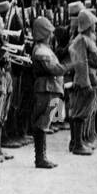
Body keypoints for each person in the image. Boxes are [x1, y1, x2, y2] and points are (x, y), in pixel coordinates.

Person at [29, 15, 66, 168]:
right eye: (49, 32)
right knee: (42, 123)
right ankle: (40, 157)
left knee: (45, 122)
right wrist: (68, 65)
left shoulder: (44, 49)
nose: (52, 35)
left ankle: (42, 156)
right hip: (46, 89)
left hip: (50, 88)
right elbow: (54, 68)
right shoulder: (41, 50)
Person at [66, 8, 97, 155]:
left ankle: (76, 142)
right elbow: (81, 63)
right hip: (85, 80)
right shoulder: (81, 40)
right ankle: (77, 144)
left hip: (91, 79)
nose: (94, 25)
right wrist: (84, 82)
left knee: (81, 111)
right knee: (79, 112)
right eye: (92, 23)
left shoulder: (87, 39)